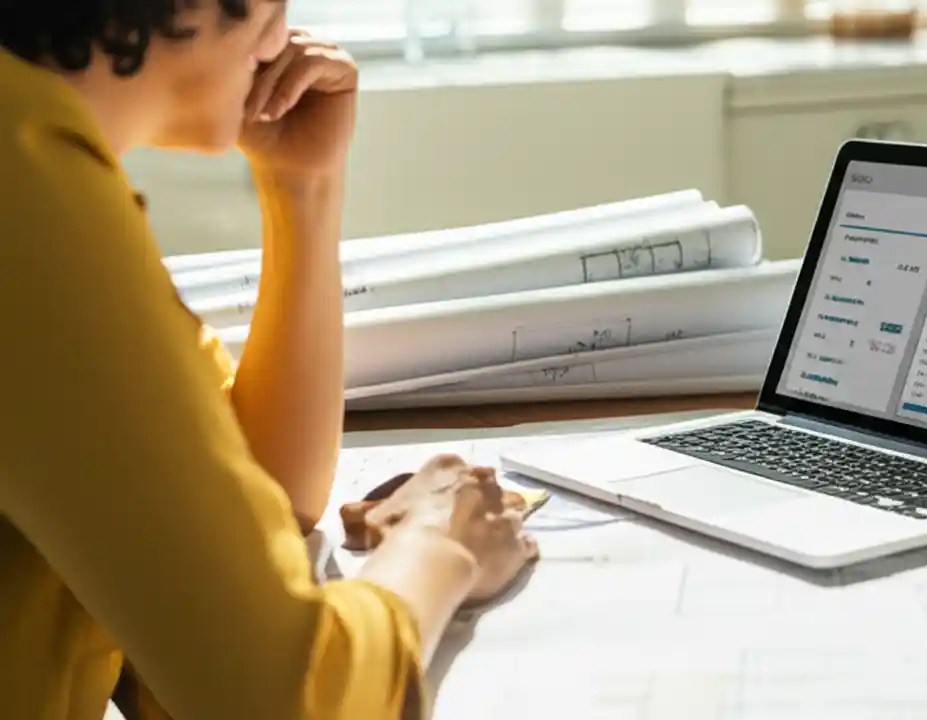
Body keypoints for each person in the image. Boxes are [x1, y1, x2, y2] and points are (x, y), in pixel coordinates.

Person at [0, 1, 539, 718]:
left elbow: (251, 497)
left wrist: (302, 188)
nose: (283, 36)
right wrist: (441, 543)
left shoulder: (32, 146)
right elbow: (279, 698)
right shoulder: (24, 189)